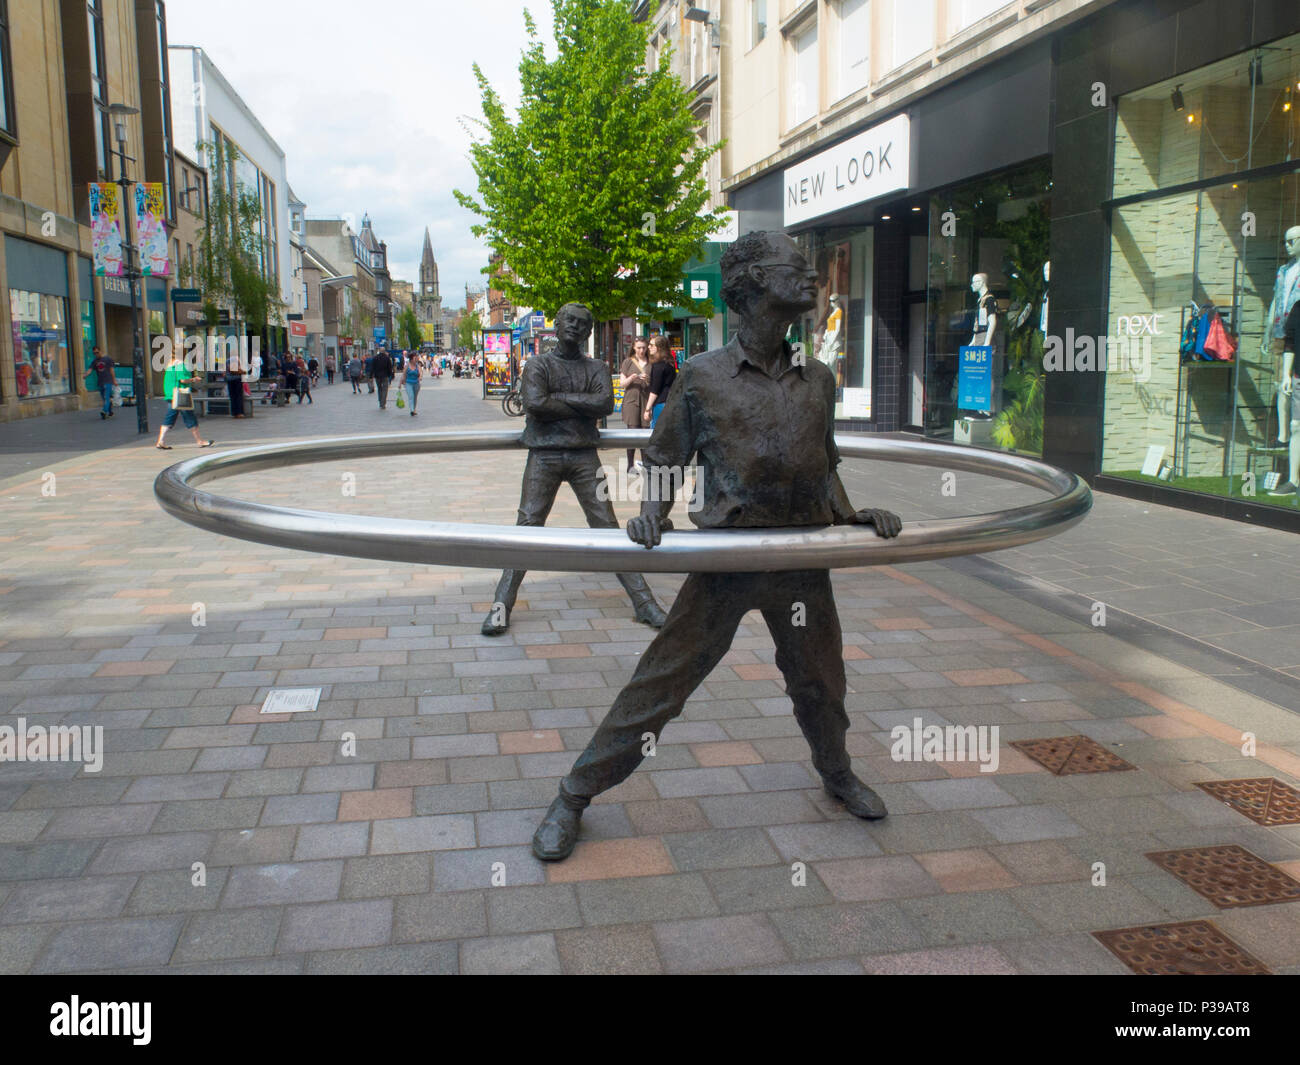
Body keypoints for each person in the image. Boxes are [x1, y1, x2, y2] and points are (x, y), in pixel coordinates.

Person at [530, 232, 903, 862]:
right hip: (726, 562)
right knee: (661, 685)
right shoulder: (703, 377)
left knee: (822, 683)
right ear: (755, 282)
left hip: (800, 564)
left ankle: (836, 772)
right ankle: (574, 793)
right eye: (797, 269)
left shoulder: (819, 379)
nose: (812, 277)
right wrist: (651, 517)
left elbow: (824, 462)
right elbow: (665, 458)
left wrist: (849, 510)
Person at [480, 302, 667, 638]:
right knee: (527, 527)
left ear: (589, 331)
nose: (576, 328)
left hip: (584, 456)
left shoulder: (596, 367)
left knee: (607, 526)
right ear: (557, 324)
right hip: (544, 455)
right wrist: (577, 402)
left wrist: (559, 400)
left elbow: (604, 404)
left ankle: (644, 604)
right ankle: (500, 606)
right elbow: (535, 403)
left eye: (583, 324)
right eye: (570, 321)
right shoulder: (538, 364)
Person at [156, 350, 213, 450]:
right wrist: (194, 379)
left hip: (171, 394)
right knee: (190, 417)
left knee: (169, 418)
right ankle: (200, 441)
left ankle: (160, 441)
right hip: (180, 394)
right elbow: (183, 380)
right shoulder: (180, 365)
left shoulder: (170, 365)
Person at [619, 337, 651, 471]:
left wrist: (648, 380)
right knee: (632, 432)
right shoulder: (628, 362)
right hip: (631, 401)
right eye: (638, 348)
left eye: (644, 347)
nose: (641, 351)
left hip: (646, 400)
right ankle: (630, 465)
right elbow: (622, 384)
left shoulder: (651, 363)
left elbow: (655, 386)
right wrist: (631, 378)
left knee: (645, 433)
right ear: (633, 347)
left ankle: (645, 463)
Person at [644, 334, 676, 429]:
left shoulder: (658, 366)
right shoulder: (669, 363)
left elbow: (655, 390)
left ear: (659, 348)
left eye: (651, 345)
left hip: (660, 403)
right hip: (670, 401)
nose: (649, 347)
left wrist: (647, 409)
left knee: (657, 433)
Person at [88, 345, 115, 420]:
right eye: (94, 353)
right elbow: (90, 369)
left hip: (108, 381)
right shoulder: (95, 361)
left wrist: (114, 380)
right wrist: (85, 375)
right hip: (100, 382)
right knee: (105, 398)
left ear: (100, 351)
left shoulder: (108, 359)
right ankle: (110, 411)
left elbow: (112, 370)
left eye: (97, 352)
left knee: (106, 398)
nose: (96, 354)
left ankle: (104, 411)